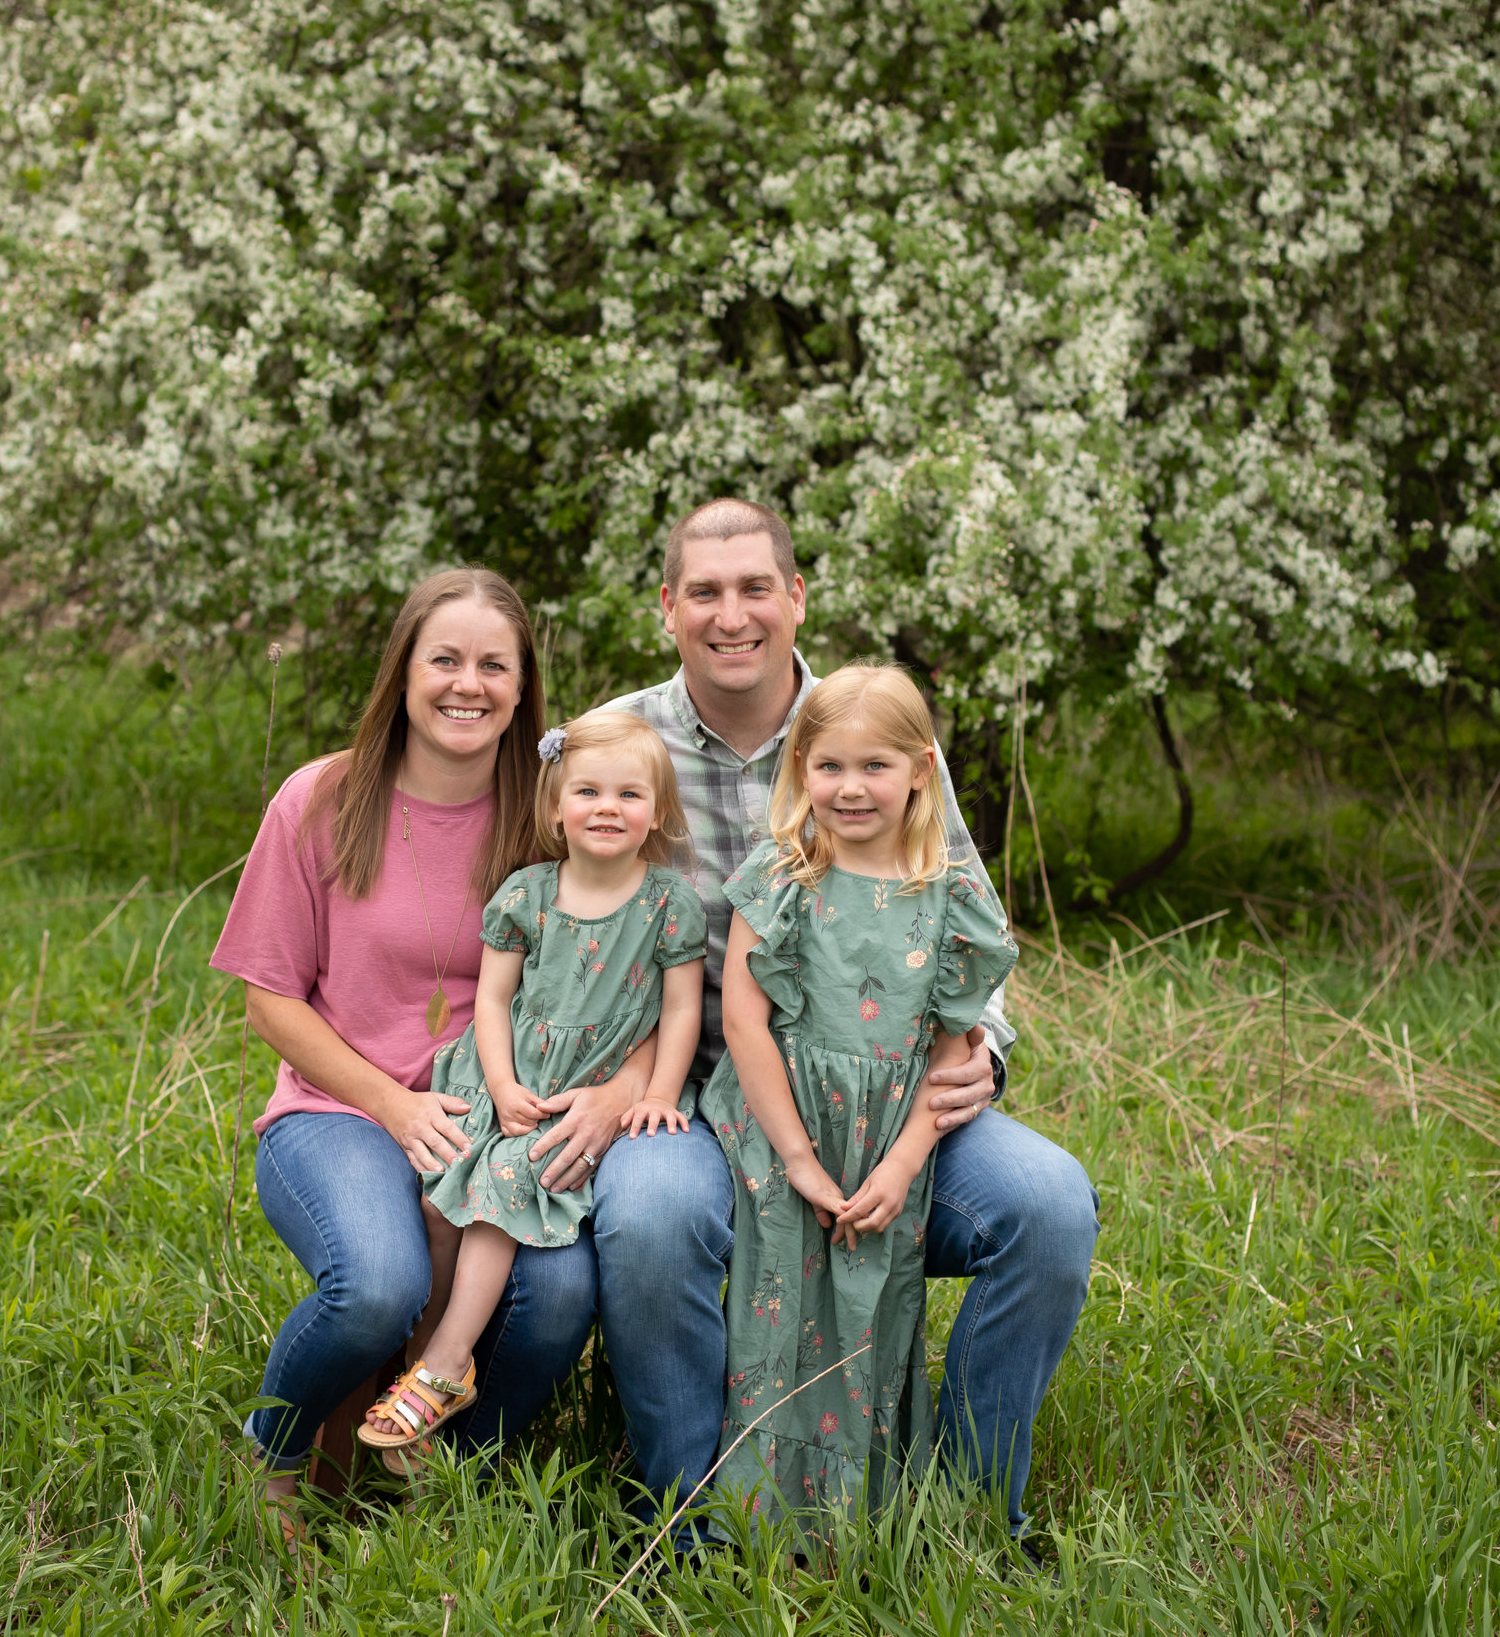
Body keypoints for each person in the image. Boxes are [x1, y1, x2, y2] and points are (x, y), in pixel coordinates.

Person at [590, 499, 1098, 1550]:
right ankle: (698, 1521)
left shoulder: (878, 730)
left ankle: (960, 1514)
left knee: (1047, 1203)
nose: (733, 615)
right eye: (706, 592)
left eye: (755, 588)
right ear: (668, 608)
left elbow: (964, 923)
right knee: (647, 1219)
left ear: (796, 596)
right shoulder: (621, 742)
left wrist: (981, 1059)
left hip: (891, 1089)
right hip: (687, 1094)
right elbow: (554, 917)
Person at [206, 569, 607, 1541]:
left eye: (493, 665)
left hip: (494, 1118)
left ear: (522, 691)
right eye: (446, 658)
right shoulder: (323, 798)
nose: (467, 683)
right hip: (339, 1109)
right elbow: (268, 998)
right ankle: (276, 1460)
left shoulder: (547, 820)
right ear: (404, 671)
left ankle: (437, 1467)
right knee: (378, 1283)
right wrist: (393, 1102)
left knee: (559, 1293)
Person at [706, 664, 1018, 1526]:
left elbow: (952, 1057)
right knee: (776, 1310)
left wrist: (903, 1163)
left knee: (871, 1307)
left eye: (874, 767)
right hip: (782, 1124)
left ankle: (865, 1515)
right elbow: (743, 1022)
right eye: (829, 766)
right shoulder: (782, 876)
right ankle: (753, 1515)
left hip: (890, 1136)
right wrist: (799, 1159)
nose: (849, 788)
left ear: (921, 768)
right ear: (800, 767)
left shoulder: (949, 896)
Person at [357, 711, 709, 1467]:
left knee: (498, 1197)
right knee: (436, 1202)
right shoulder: (528, 893)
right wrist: (501, 1082)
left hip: (575, 1098)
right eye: (587, 791)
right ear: (555, 807)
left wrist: (659, 1093)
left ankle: (448, 1364)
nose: (607, 807)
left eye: (628, 794)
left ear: (659, 813)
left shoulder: (667, 903)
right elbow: (489, 1001)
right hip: (504, 1078)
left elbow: (681, 1009)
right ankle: (418, 1373)